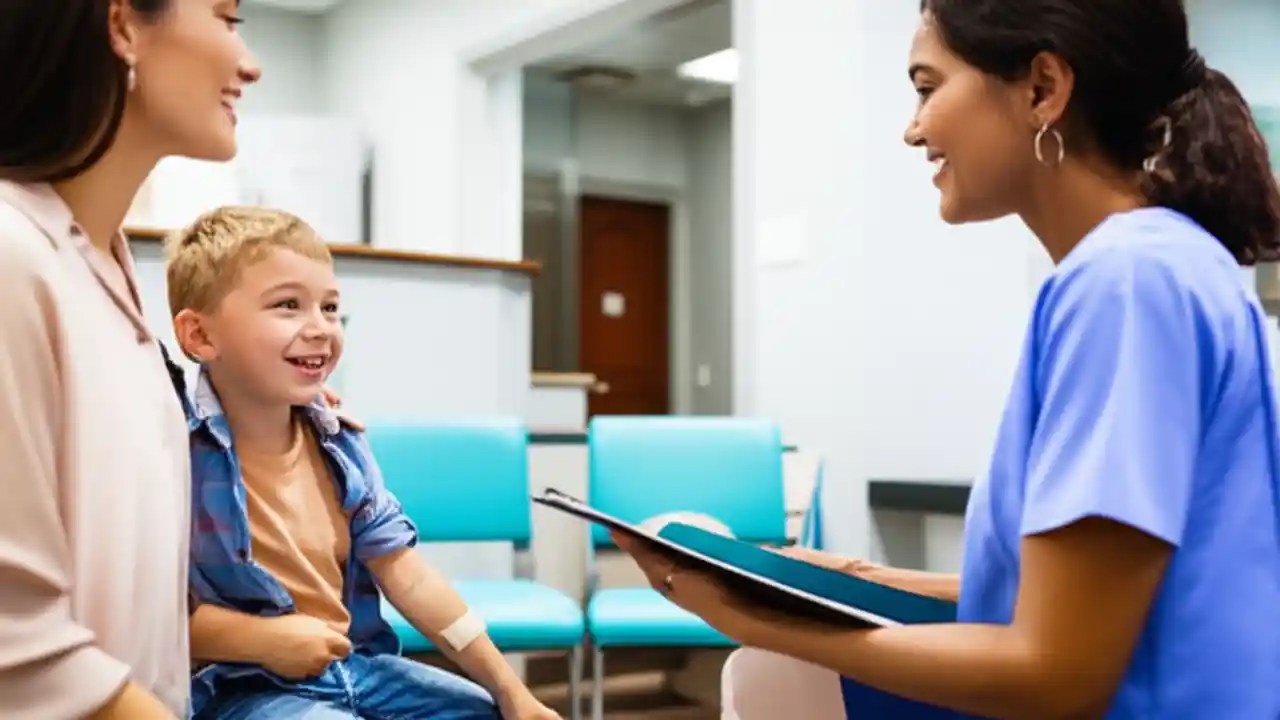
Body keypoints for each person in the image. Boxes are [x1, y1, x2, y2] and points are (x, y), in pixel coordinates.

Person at [614, 1, 1280, 718]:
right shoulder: (1158, 265)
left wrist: (757, 619)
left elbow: (1054, 673)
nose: (913, 128)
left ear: (1042, 89)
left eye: (928, 88)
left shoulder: (1126, 282)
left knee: (770, 672)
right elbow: (1074, 604)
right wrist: (831, 576)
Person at [166, 206, 560, 720]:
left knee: (486, 713)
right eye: (288, 305)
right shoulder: (173, 448)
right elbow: (146, 616)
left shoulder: (340, 442)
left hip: (358, 667)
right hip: (244, 686)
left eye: (330, 308)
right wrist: (261, 640)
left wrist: (513, 692)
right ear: (199, 336)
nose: (320, 329)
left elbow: (409, 578)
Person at [0, 1, 260, 717]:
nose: (249, 64)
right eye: (227, 18)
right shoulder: (13, 257)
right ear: (121, 25)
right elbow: (18, 655)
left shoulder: (104, 269)